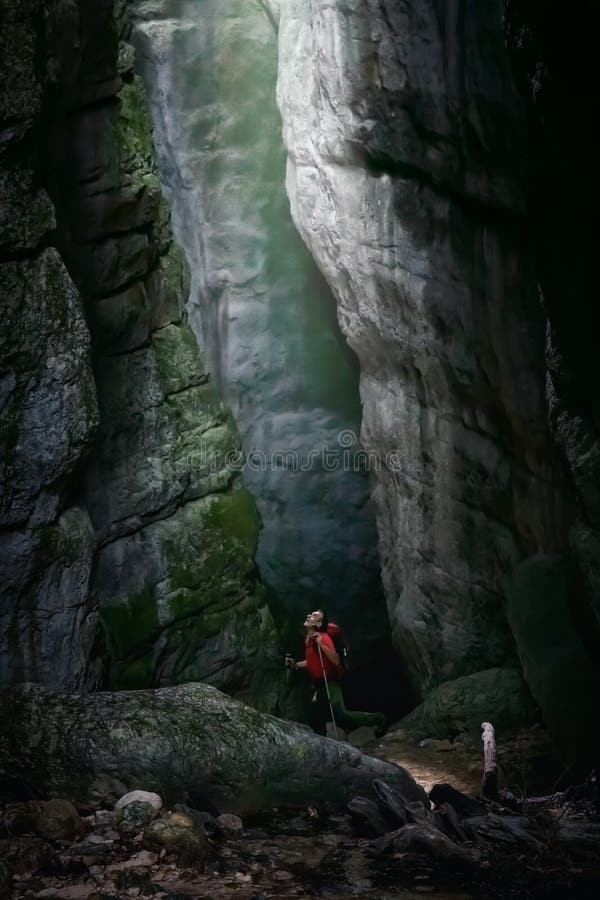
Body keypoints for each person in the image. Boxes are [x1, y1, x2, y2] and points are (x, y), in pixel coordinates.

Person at [285, 609, 387, 738]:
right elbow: (312, 661)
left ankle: (378, 718)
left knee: (340, 715)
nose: (309, 616)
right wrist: (295, 665)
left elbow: (336, 659)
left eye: (314, 615)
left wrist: (322, 645)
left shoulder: (323, 638)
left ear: (319, 623)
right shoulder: (309, 639)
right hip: (319, 684)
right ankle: (321, 743)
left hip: (330, 682)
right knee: (315, 716)